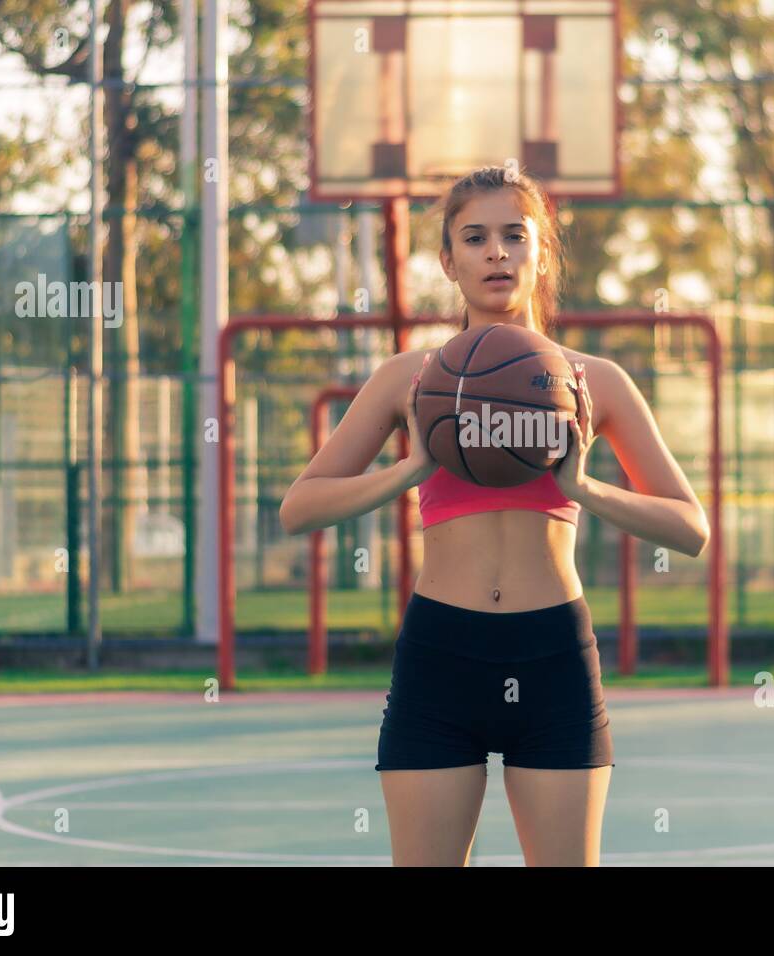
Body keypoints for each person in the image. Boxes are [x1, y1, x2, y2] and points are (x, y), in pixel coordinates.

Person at [278, 166, 710, 866]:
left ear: (541, 251)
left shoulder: (592, 381)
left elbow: (691, 529)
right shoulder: (409, 380)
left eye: (515, 235)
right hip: (441, 655)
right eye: (475, 238)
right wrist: (412, 467)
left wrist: (585, 487)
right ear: (448, 261)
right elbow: (299, 508)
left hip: (553, 656)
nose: (497, 253)